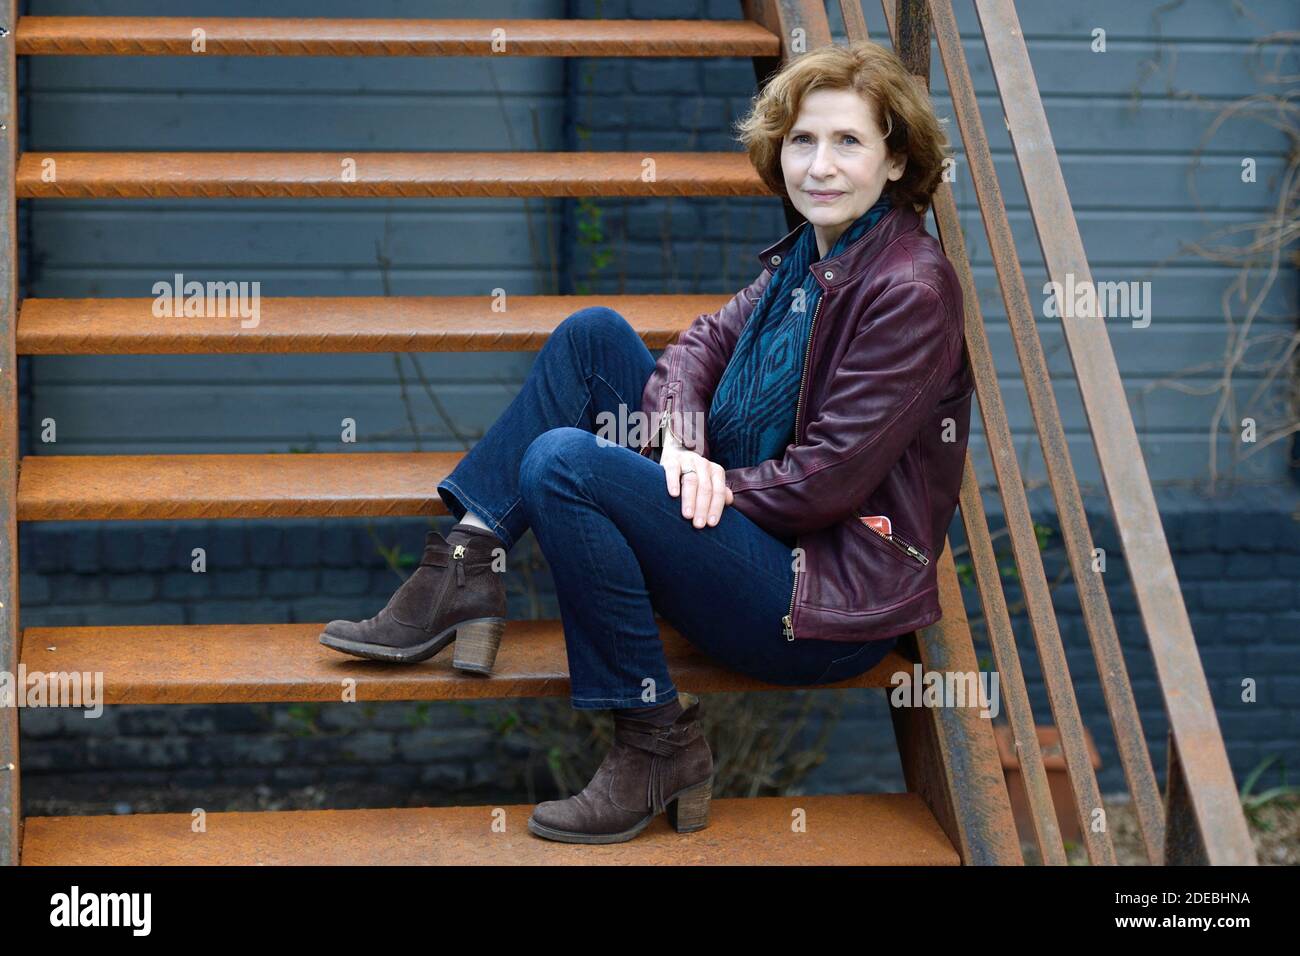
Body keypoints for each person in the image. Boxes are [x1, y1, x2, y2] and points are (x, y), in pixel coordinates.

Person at [318, 39, 974, 846]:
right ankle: (469, 561)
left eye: (848, 142)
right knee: (592, 337)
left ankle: (656, 740)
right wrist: (681, 446)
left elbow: (830, 479)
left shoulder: (908, 287)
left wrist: (713, 486)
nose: (819, 165)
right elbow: (697, 349)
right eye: (804, 140)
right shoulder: (814, 253)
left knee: (563, 464)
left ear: (898, 159)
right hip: (740, 518)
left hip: (818, 599)